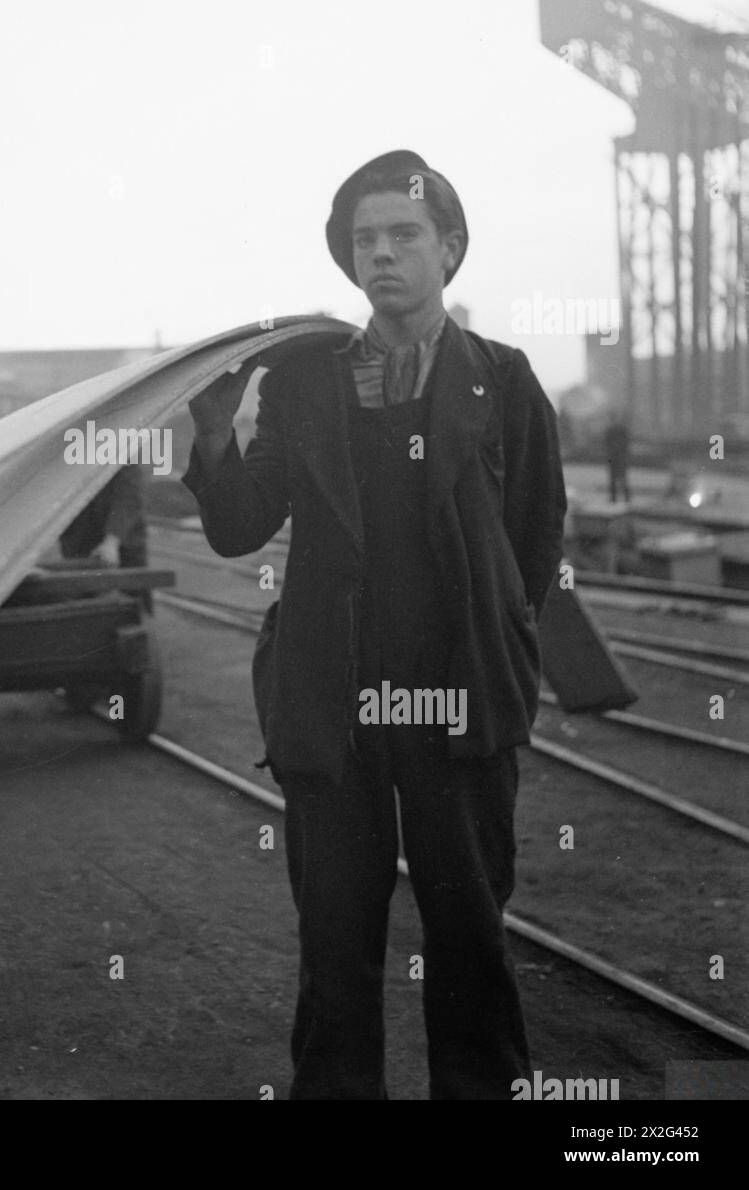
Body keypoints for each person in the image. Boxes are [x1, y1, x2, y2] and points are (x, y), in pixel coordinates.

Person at [183, 149, 566, 1100]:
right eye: (364, 240)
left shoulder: (503, 382)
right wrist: (212, 435)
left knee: (469, 932)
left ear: (450, 248)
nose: (382, 255)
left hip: (457, 704)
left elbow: (531, 543)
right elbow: (238, 528)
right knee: (336, 939)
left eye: (403, 235)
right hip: (336, 703)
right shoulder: (306, 383)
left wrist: (495, 647)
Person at [604, 411, 631, 504]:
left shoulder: (617, 430)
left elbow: (607, 443)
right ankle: (616, 498)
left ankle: (619, 497)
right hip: (616, 456)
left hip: (617, 456)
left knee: (620, 478)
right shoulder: (617, 429)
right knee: (616, 478)